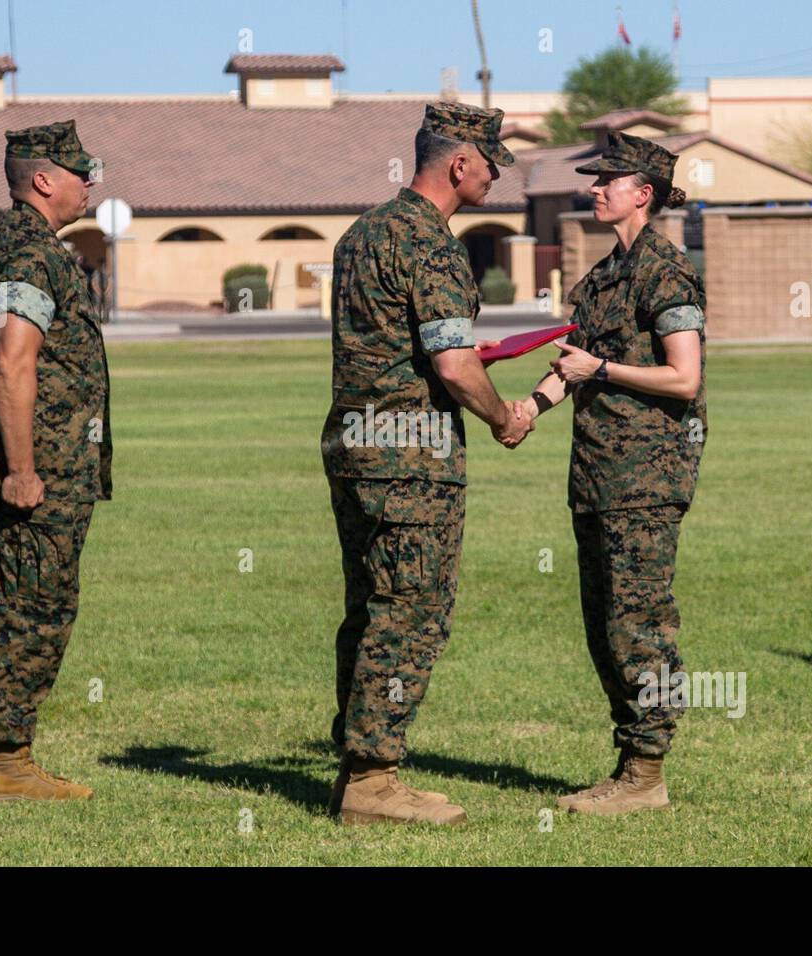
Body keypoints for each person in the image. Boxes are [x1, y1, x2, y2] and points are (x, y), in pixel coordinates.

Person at [321, 101, 531, 826]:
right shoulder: (430, 244)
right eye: (492, 162)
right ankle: (374, 783)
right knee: (410, 613)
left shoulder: (361, 234)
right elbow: (452, 362)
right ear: (460, 163)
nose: (497, 175)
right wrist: (504, 416)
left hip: (355, 445)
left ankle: (358, 766)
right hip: (409, 459)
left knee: (371, 607)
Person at [516, 132, 705, 816]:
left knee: (639, 623)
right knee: (604, 624)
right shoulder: (600, 280)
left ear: (643, 193)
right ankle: (630, 763)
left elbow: (684, 377)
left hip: (647, 479)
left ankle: (646, 774)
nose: (593, 189)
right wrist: (530, 408)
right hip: (597, 475)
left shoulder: (666, 272)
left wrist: (601, 369)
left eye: (607, 181)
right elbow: (572, 364)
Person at [0, 120, 112, 801]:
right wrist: (21, 469)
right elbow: (14, 365)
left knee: (13, 599)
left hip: (42, 464)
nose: (92, 184)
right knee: (32, 605)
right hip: (36, 471)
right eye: (82, 173)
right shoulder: (29, 251)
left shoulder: (16, 243)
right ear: (45, 180)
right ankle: (7, 764)